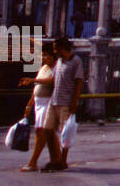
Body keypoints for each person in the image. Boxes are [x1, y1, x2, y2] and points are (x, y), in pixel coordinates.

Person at [41, 37, 82, 172]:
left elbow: (79, 83)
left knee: (65, 134)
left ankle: (62, 161)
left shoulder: (76, 61)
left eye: (55, 48)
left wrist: (74, 102)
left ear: (61, 48)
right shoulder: (58, 61)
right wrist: (34, 80)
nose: (53, 51)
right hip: (54, 101)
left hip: (66, 102)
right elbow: (54, 78)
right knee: (47, 129)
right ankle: (55, 158)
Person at [18, 42, 56, 170]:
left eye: (46, 55)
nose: (43, 58)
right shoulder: (43, 68)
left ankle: (33, 162)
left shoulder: (56, 68)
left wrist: (32, 80)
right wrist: (29, 105)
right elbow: (36, 88)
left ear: (52, 56)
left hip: (48, 103)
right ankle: (58, 159)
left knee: (41, 131)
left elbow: (52, 80)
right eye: (42, 55)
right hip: (38, 104)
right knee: (46, 132)